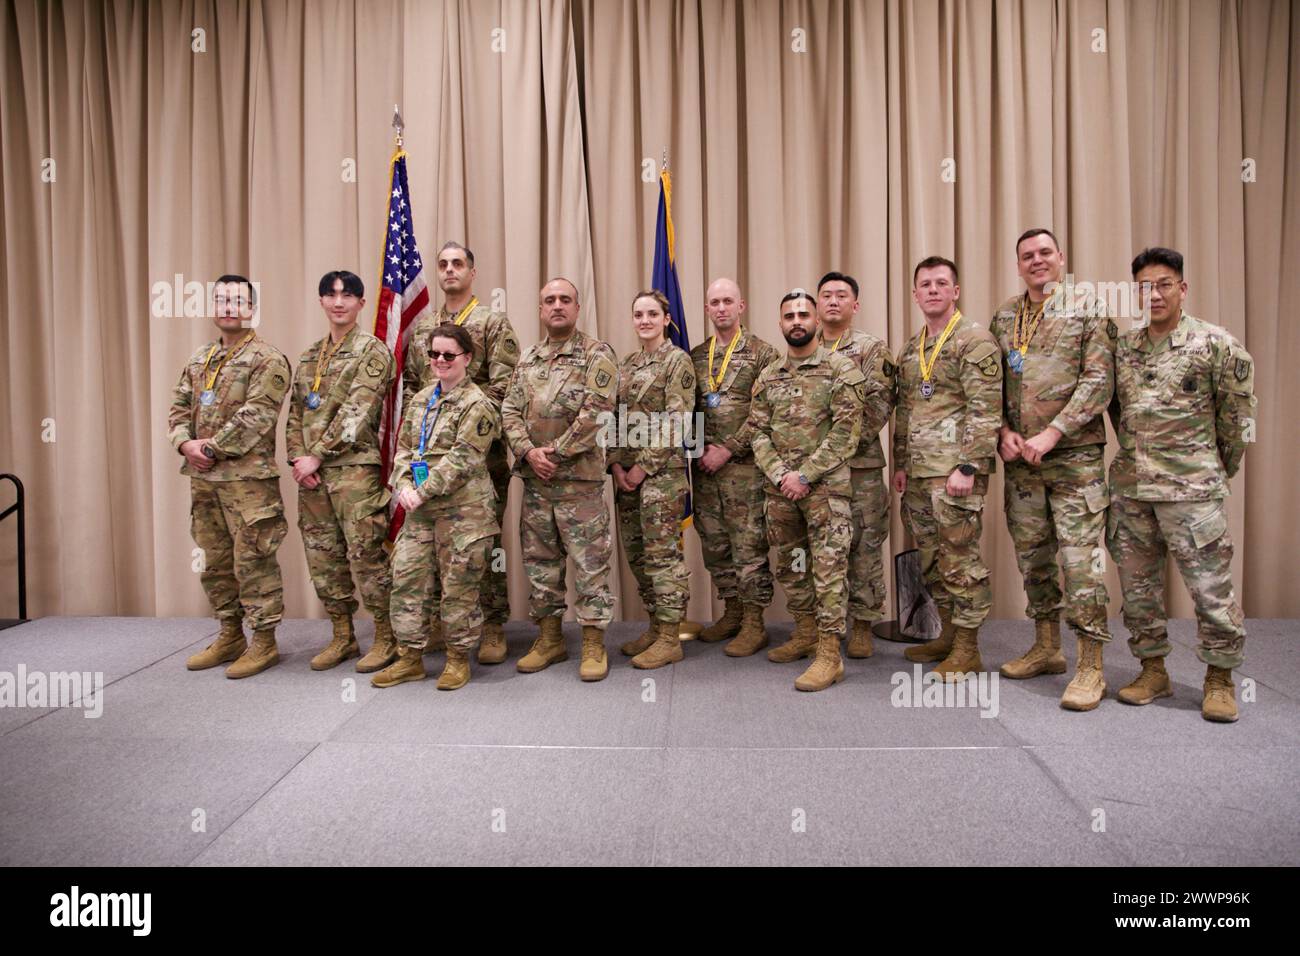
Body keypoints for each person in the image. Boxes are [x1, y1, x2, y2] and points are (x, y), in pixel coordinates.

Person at [1107, 247, 1256, 722]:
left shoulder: (1216, 345)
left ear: (1182, 288)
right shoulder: (1124, 350)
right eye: (1145, 286)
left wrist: (1210, 473)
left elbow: (1236, 424)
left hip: (1193, 493)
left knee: (1211, 592)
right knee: (1137, 591)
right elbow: (1118, 415)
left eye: (1164, 284)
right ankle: (1153, 670)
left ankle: (1219, 677)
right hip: (1132, 492)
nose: (1154, 294)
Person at [990, 230, 1116, 711]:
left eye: (1045, 252)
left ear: (1061, 258)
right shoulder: (1006, 316)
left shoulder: (1088, 308)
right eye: (1027, 256)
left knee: (1081, 564)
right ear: (1018, 264)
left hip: (1074, 459)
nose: (1037, 261)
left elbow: (1098, 380)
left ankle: (1090, 664)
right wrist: (1004, 431)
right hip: (1022, 462)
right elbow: (993, 384)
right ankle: (1047, 646)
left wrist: (1055, 432)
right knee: (1034, 558)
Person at [401, 242, 520, 664]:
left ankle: (491, 624)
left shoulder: (492, 323)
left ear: (473, 271)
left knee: (478, 546)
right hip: (425, 460)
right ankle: (440, 625)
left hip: (478, 458)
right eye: (443, 264)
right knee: (429, 544)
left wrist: (459, 417)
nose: (450, 270)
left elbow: (507, 389)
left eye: (458, 264)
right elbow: (417, 388)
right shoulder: (423, 328)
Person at [168, 275, 291, 679]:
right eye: (220, 300)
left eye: (237, 300)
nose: (227, 307)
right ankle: (229, 633)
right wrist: (184, 443)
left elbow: (257, 415)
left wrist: (211, 448)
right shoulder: (199, 358)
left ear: (251, 309)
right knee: (215, 561)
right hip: (204, 481)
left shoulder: (266, 359)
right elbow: (178, 409)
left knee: (253, 560)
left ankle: (263, 642)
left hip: (247, 483)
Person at [500, 278, 619, 681]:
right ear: (540, 309)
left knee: (590, 566)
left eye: (564, 299)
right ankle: (549, 639)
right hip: (537, 484)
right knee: (540, 566)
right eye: (549, 300)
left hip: (579, 485)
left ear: (577, 307)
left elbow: (598, 411)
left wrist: (557, 452)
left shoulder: (597, 354)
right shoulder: (528, 358)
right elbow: (509, 412)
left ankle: (592, 642)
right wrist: (528, 452)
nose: (556, 306)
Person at [372, 323, 501, 691]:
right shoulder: (421, 400)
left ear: (468, 359)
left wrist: (421, 491)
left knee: (458, 587)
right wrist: (403, 484)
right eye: (434, 355)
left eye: (449, 355)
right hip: (420, 512)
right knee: (407, 580)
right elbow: (403, 450)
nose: (440, 361)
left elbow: (464, 460)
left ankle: (458, 659)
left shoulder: (479, 405)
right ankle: (410, 658)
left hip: (464, 514)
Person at [749, 289, 864, 692]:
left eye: (803, 314)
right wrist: (782, 474)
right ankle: (804, 632)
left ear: (816, 321)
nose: (796, 321)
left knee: (829, 571)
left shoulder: (840, 370)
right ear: (780, 323)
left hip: (824, 493)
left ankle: (830, 655)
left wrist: (806, 475)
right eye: (788, 316)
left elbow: (846, 432)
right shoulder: (769, 376)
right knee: (794, 565)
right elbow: (757, 431)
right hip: (782, 494)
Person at [893, 257, 1002, 681]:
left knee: (960, 559)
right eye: (926, 284)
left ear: (955, 291)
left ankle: (969, 650)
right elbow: (906, 410)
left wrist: (969, 466)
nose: (933, 290)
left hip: (956, 472)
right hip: (920, 473)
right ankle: (950, 634)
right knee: (931, 560)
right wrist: (901, 463)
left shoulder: (974, 341)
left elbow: (986, 409)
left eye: (942, 283)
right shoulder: (911, 348)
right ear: (916, 294)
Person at [286, 271, 396, 673]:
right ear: (320, 302)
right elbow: (296, 413)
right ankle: (343, 636)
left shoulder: (373, 351)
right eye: (331, 295)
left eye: (348, 295)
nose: (338, 302)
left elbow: (359, 410)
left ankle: (386, 637)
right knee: (323, 558)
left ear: (361, 304)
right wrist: (298, 460)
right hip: (312, 477)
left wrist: (317, 454)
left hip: (354, 472)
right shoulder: (309, 356)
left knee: (366, 555)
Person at [689, 278, 780, 657]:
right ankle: (732, 610)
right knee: (715, 544)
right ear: (707, 309)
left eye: (728, 301)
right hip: (705, 471)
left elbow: (768, 413)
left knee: (748, 546)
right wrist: (696, 450)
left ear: (741, 306)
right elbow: (688, 409)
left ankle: (755, 623)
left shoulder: (763, 354)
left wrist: (727, 449)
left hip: (744, 469)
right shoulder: (695, 355)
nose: (721, 308)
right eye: (714, 302)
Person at [610, 290, 696, 668]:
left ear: (666, 319)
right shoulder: (626, 364)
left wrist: (642, 466)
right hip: (626, 476)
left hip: (661, 475)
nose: (644, 320)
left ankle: (669, 637)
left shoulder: (677, 361)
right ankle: (654, 624)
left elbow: (678, 420)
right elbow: (611, 417)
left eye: (652, 314)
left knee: (663, 557)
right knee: (638, 555)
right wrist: (614, 464)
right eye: (638, 314)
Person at [815, 271, 896, 659]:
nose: (833, 301)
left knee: (864, 544)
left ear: (855, 305)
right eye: (826, 295)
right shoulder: (802, 347)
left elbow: (880, 405)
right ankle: (825, 624)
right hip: (815, 471)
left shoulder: (870, 349)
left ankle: (863, 623)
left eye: (841, 295)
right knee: (823, 548)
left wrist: (835, 447)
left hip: (859, 467)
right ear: (816, 305)